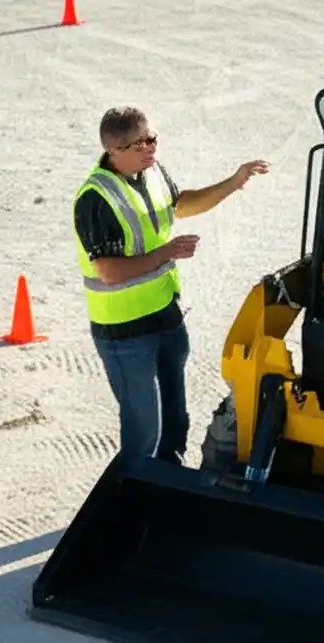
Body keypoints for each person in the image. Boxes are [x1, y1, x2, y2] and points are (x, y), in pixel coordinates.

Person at [73, 105, 269, 463]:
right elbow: (109, 272)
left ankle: (166, 490)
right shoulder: (95, 199)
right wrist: (167, 252)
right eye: (140, 143)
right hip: (124, 333)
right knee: (143, 433)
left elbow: (180, 204)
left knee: (175, 424)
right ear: (114, 151)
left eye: (152, 138)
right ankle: (128, 506)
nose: (150, 148)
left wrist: (233, 182)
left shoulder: (151, 172)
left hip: (165, 317)